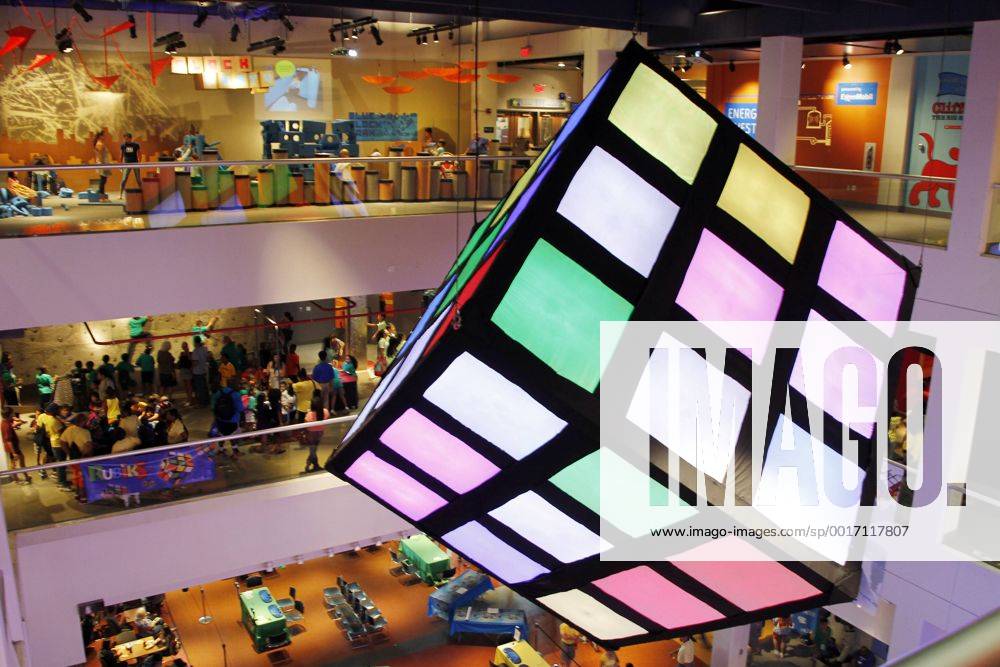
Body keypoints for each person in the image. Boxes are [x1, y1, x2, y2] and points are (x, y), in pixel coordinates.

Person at [211, 382, 244, 456]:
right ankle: (235, 451)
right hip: (233, 419)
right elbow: (240, 408)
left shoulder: (218, 393)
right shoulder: (236, 394)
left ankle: (221, 449)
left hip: (220, 419)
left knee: (222, 434)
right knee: (232, 435)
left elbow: (213, 407)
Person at [1, 407, 30, 483]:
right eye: (12, 413)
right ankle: (25, 477)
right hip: (13, 448)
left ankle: (16, 478)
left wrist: (18, 421)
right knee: (20, 462)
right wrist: (14, 452)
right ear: (9, 414)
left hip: (11, 447)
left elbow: (13, 421)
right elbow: (9, 441)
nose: (13, 414)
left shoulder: (4, 422)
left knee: (13, 463)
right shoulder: (7, 426)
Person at [302, 394, 329, 473]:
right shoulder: (325, 412)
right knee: (313, 450)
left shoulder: (309, 415)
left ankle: (312, 465)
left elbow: (305, 426)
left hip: (311, 435)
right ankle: (312, 465)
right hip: (320, 433)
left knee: (312, 451)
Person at [119, 132, 141, 198]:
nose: (125, 140)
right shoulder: (123, 146)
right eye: (124, 138)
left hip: (135, 163)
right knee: (124, 179)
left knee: (138, 179)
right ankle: (120, 194)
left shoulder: (136, 145)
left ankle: (143, 192)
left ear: (130, 139)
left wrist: (139, 162)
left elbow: (139, 153)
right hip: (126, 164)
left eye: (127, 138)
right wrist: (120, 165)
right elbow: (121, 155)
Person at [190, 337, 211, 406]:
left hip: (197, 372)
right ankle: (207, 401)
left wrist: (192, 368)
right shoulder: (205, 349)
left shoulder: (196, 351)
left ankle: (202, 403)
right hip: (204, 370)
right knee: (205, 387)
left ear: (195, 342)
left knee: (200, 388)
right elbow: (208, 358)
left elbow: (195, 362)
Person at [93, 129, 112, 200]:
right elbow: (99, 154)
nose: (104, 137)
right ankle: (102, 196)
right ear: (100, 136)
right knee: (103, 180)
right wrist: (101, 164)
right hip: (102, 163)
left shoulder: (101, 143)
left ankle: (102, 195)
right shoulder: (99, 144)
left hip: (104, 163)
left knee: (103, 179)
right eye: (103, 135)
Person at [176, 341, 194, 406]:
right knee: (186, 386)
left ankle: (190, 399)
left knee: (189, 386)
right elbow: (180, 361)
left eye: (184, 345)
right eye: (183, 345)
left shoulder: (190, 353)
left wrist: (187, 352)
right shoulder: (181, 353)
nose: (183, 347)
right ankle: (188, 398)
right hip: (183, 370)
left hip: (188, 370)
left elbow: (191, 360)